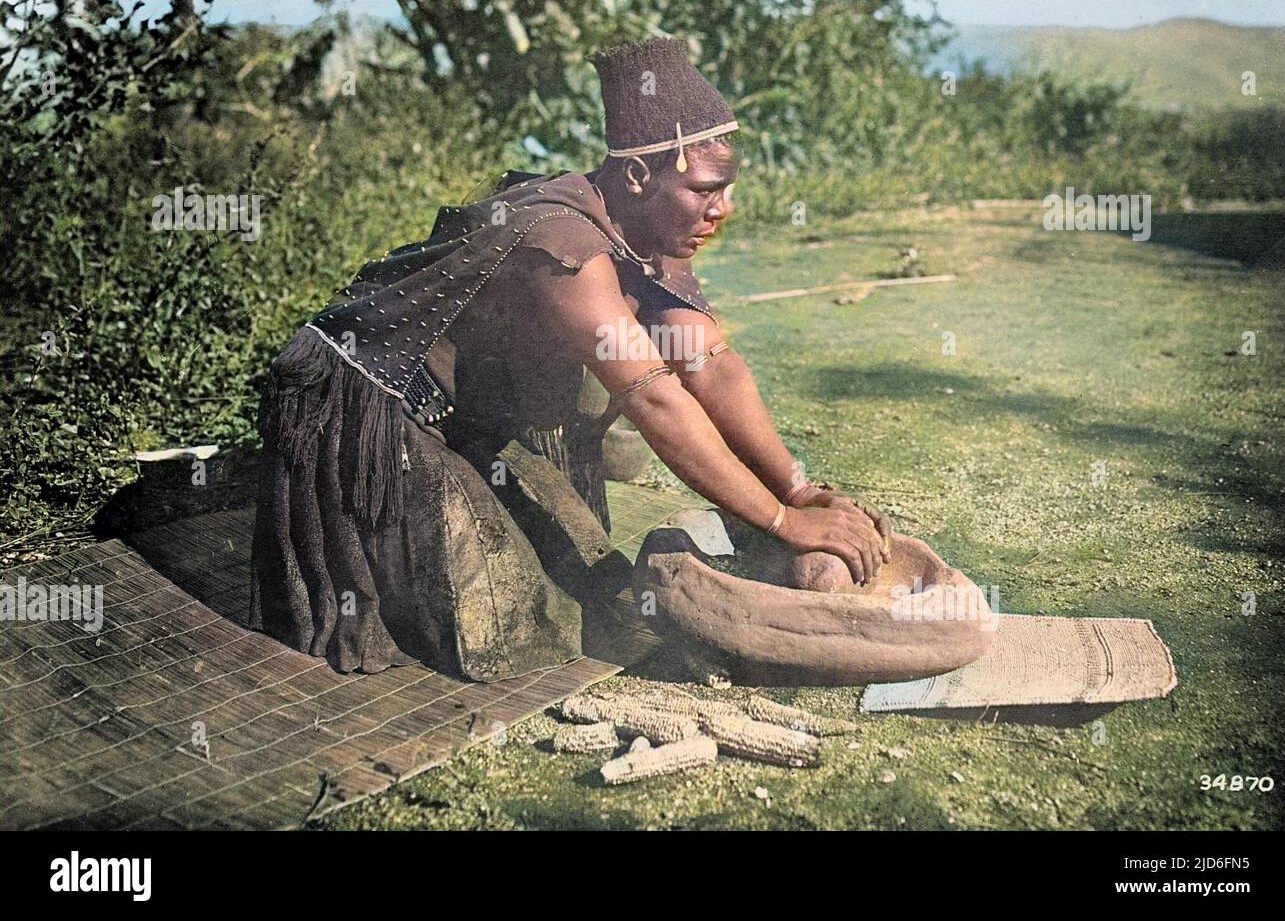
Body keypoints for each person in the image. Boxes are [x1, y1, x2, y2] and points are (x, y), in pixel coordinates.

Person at [249, 35, 891, 681]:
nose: (724, 208)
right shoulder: (562, 241)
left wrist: (799, 488)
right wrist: (784, 522)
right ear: (638, 175)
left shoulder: (649, 229)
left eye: (728, 187)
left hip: (464, 410)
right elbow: (654, 398)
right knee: (511, 624)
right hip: (365, 404)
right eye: (705, 189)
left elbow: (708, 364)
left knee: (584, 594)